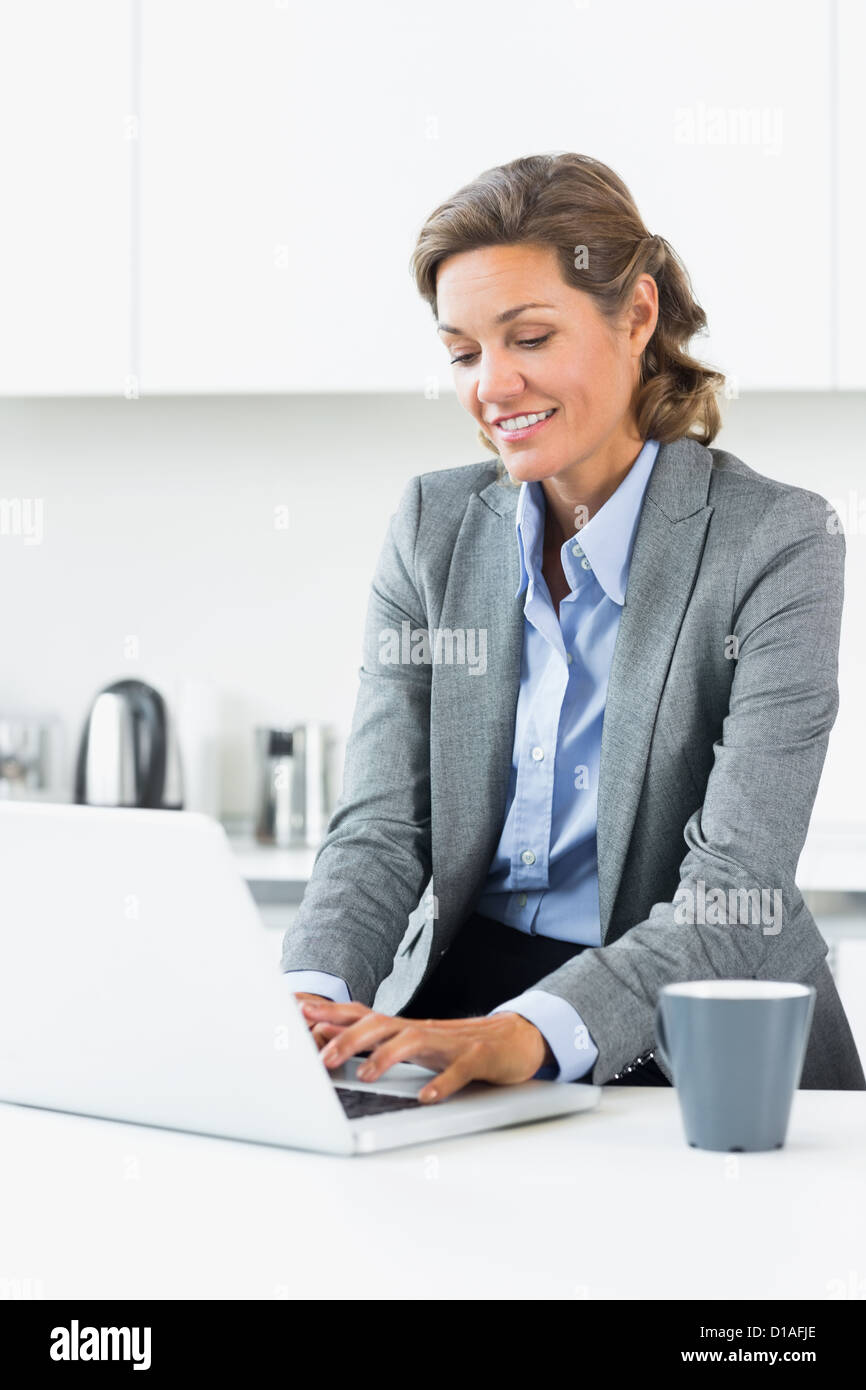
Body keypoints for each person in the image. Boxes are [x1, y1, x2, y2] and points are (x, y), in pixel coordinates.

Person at [281, 151, 866, 1103]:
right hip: (462, 1007)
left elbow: (734, 886)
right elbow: (382, 833)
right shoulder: (432, 528)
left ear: (637, 316)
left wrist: (528, 1034)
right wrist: (306, 1006)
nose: (493, 386)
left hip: (690, 1031)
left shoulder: (779, 540)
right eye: (464, 353)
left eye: (531, 338)